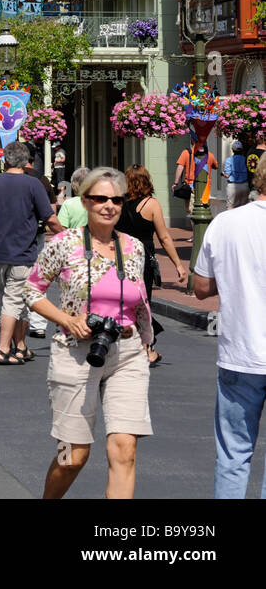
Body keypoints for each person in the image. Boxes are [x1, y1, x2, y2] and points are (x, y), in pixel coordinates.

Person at [26, 167, 154, 500]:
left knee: (124, 449)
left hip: (126, 353)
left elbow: (139, 300)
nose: (108, 205)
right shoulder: (64, 244)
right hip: (75, 352)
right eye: (100, 198)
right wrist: (67, 320)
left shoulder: (134, 247)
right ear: (85, 201)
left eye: (116, 199)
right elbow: (32, 290)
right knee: (73, 456)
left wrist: (145, 339)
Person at [193, 166, 266, 498]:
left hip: (240, 353)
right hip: (242, 354)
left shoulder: (225, 222)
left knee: (233, 454)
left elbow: (201, 287)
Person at [0, 142, 62, 365]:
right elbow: (50, 218)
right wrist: (69, 236)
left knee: (17, 301)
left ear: (6, 160)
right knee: (13, 301)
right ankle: (4, 350)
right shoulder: (33, 184)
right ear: (26, 161)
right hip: (23, 252)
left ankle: (21, 347)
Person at [116, 165, 187, 367]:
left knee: (124, 301)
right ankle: (147, 348)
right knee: (143, 301)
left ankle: (136, 345)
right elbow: (164, 237)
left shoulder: (119, 203)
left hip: (121, 256)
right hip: (143, 258)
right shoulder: (151, 204)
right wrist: (178, 265)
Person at [173, 138, 217, 216]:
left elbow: (180, 167)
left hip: (191, 187)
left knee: (191, 212)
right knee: (204, 210)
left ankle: (195, 228)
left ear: (192, 142)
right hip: (206, 188)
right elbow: (216, 166)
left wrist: (176, 183)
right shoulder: (209, 155)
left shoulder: (186, 153)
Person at [222, 141, 249, 210]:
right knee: (244, 208)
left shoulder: (229, 160)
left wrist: (223, 173)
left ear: (232, 150)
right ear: (242, 150)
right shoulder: (246, 160)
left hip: (233, 186)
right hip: (245, 186)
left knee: (231, 207)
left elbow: (227, 175)